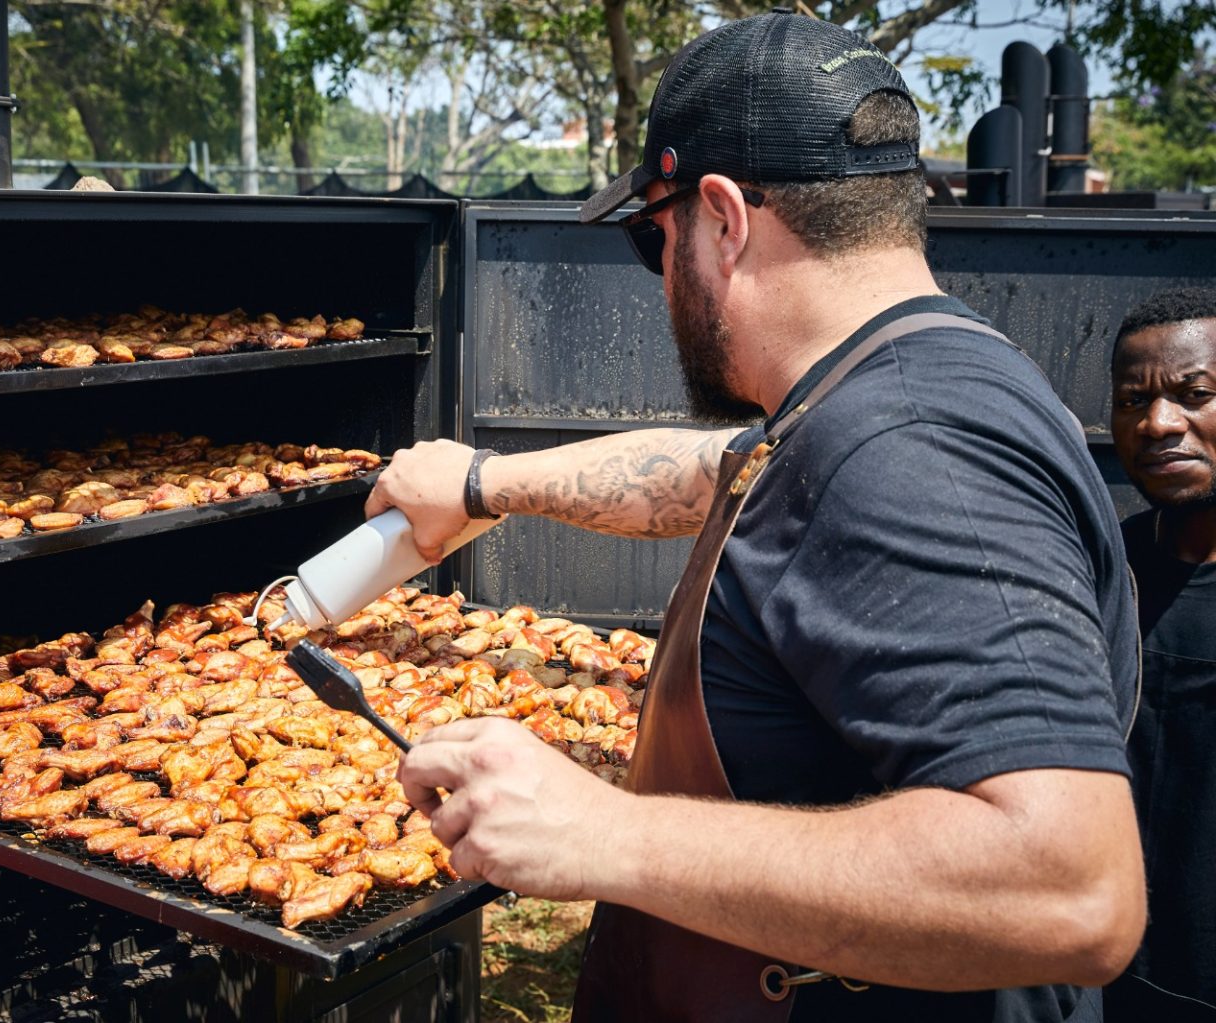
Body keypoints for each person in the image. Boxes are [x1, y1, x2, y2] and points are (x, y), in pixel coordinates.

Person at [366, 11, 1146, 1022]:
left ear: (724, 218)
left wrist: (607, 834)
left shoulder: (908, 446)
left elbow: (1073, 890)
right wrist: (481, 485)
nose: (656, 275)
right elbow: (722, 474)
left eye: (655, 234)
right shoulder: (893, 391)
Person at [1106, 287, 1216, 1017]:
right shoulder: (1101, 566)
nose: (1159, 423)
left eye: (1193, 394)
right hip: (1108, 979)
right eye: (1134, 401)